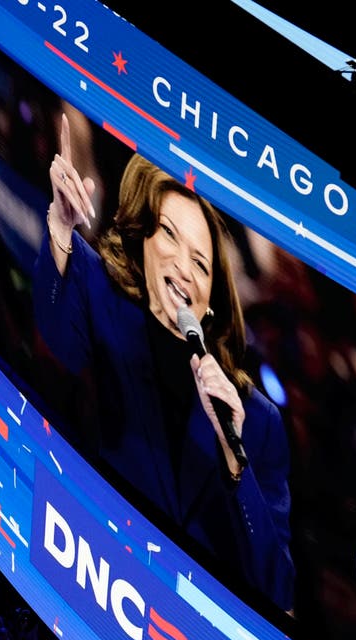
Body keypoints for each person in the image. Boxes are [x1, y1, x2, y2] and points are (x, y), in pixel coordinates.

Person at [35, 112, 294, 611]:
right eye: (169, 234)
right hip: (105, 577)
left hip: (195, 632)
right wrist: (61, 232)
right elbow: (60, 345)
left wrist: (235, 461)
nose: (182, 266)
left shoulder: (256, 419)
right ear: (143, 239)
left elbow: (276, 588)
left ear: (214, 295)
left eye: (201, 262)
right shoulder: (100, 293)